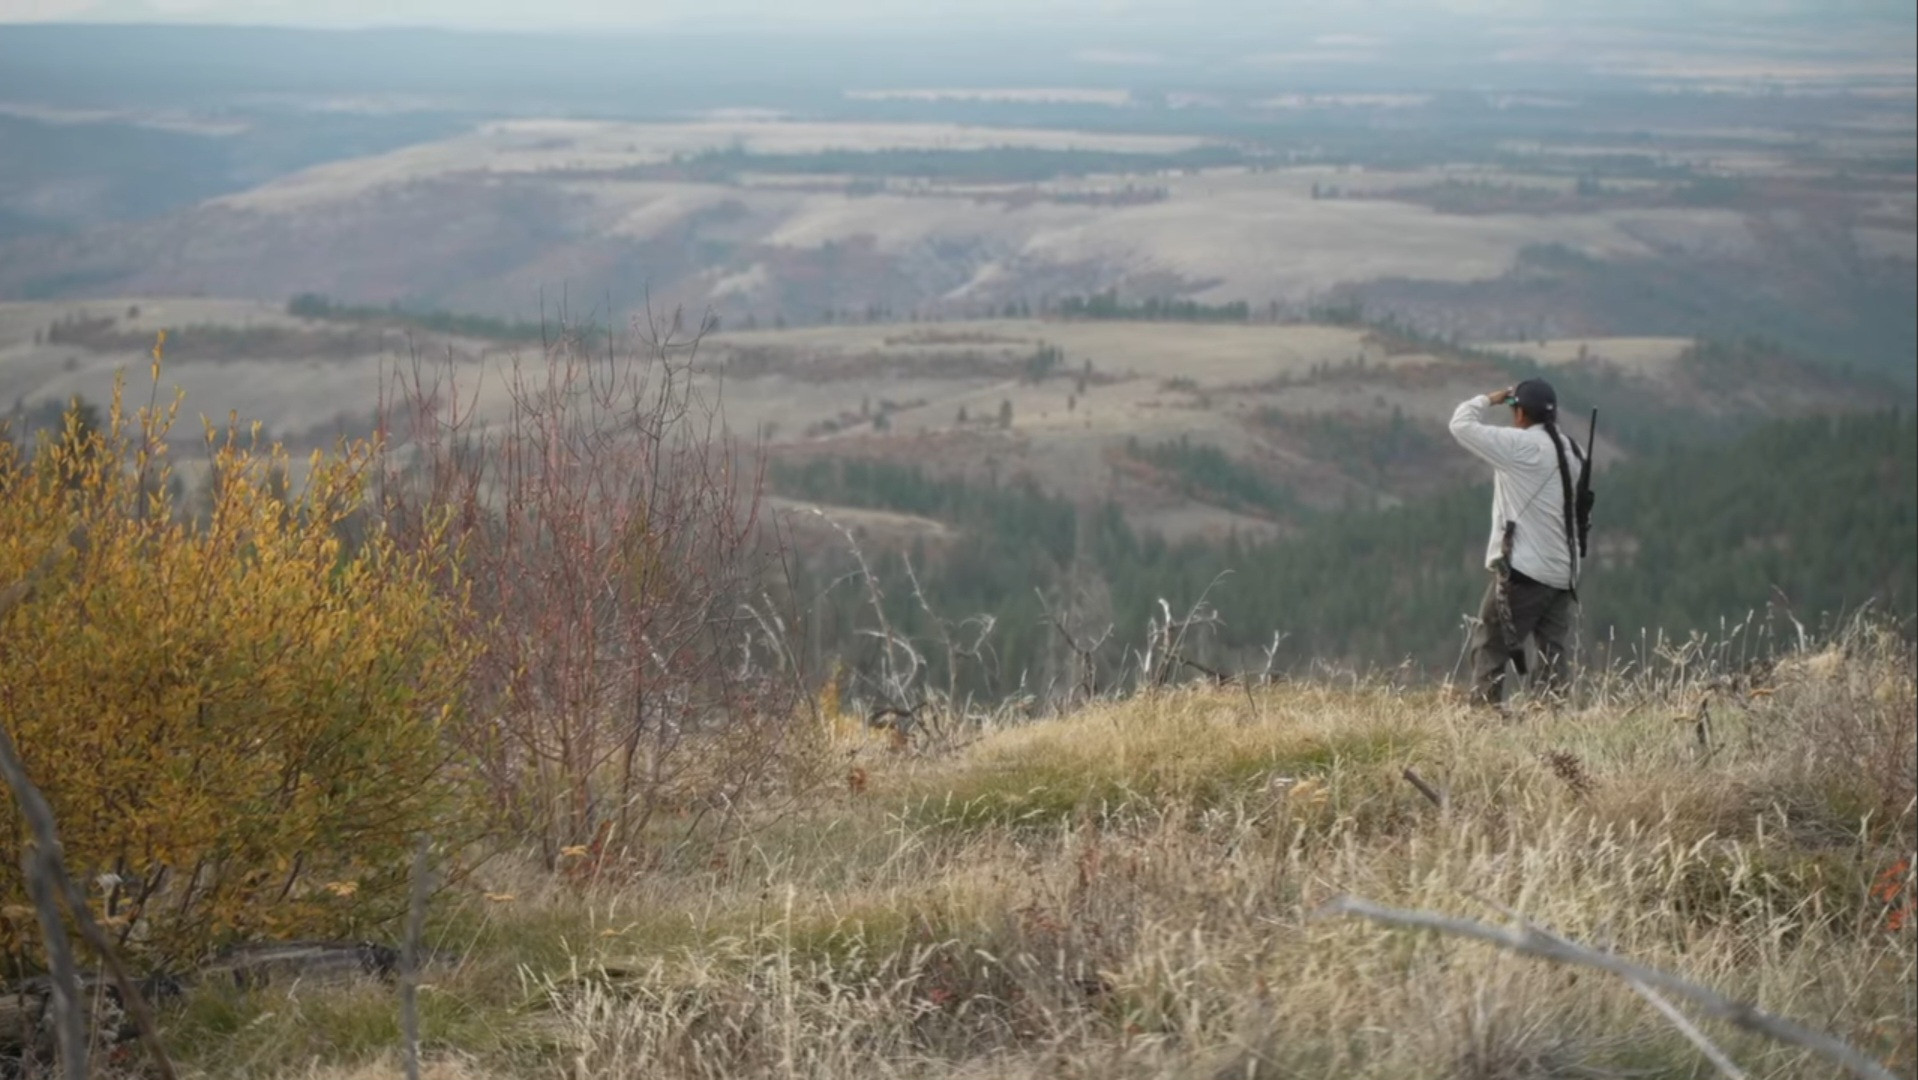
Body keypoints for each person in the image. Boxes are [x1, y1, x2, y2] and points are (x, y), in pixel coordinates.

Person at [1449, 378, 1583, 707]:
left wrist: (1491, 398)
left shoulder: (1521, 447)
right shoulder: (1573, 450)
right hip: (1564, 571)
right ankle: (1552, 721)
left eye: (1514, 409)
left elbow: (1461, 424)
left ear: (1520, 412)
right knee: (1553, 655)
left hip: (1525, 569)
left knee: (1490, 643)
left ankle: (1484, 716)